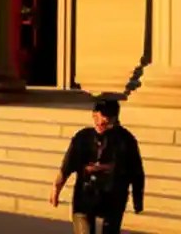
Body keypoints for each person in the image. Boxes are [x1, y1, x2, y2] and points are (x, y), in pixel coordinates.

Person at [50, 99, 145, 234]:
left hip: (113, 197)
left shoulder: (126, 141)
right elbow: (68, 165)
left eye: (105, 120)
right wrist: (56, 188)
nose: (99, 122)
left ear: (114, 118)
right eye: (96, 117)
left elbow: (137, 173)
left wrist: (138, 200)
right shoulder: (83, 137)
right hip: (85, 197)